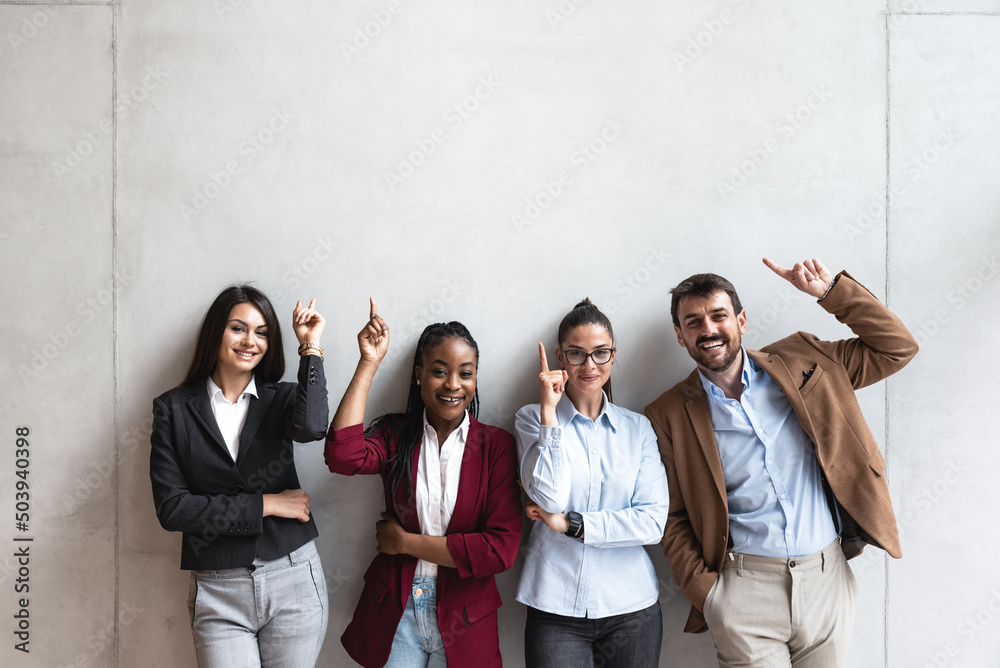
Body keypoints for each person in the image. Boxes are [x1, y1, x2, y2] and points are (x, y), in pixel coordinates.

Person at [645, 258, 919, 667]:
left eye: (718, 315)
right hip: (742, 592)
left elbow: (897, 348)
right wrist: (710, 594)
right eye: (693, 322)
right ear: (680, 336)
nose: (708, 329)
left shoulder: (803, 361)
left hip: (827, 577)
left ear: (741, 319)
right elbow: (672, 514)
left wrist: (830, 293)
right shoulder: (667, 413)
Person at [325, 298, 521, 668]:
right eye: (439, 371)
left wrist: (405, 543)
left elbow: (499, 550)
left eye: (466, 373)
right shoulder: (395, 434)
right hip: (395, 613)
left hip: (466, 621)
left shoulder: (496, 445)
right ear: (419, 375)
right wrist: (369, 363)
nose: (453, 385)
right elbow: (342, 456)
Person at [150, 285, 330, 667]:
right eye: (238, 328)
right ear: (216, 331)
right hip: (218, 589)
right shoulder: (173, 408)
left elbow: (314, 427)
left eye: (262, 332)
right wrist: (267, 504)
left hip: (293, 578)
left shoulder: (281, 398)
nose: (251, 341)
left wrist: (310, 348)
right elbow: (173, 509)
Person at [515, 299, 670, 668]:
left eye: (600, 353)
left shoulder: (638, 428)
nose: (589, 366)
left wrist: (573, 524)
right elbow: (549, 498)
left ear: (613, 355)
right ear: (559, 356)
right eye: (577, 354)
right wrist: (549, 413)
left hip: (632, 608)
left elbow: (652, 523)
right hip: (555, 607)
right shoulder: (530, 419)